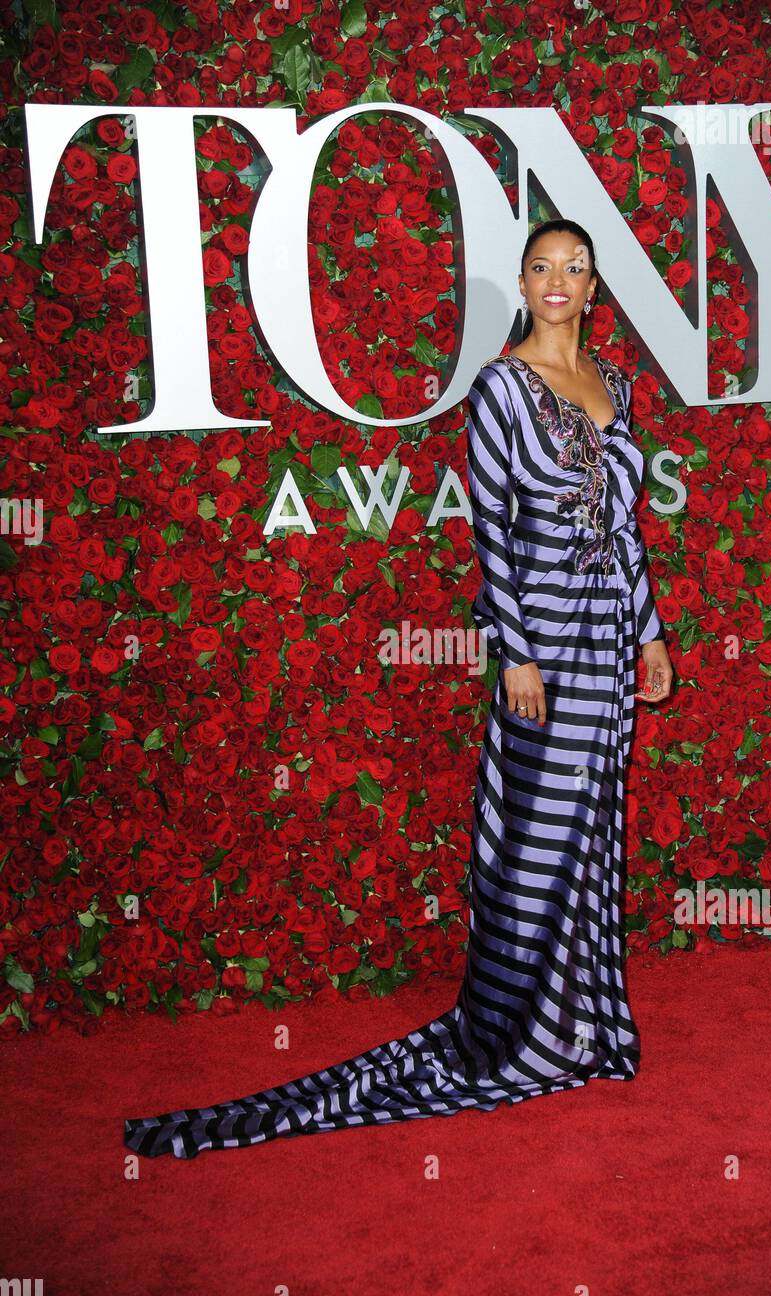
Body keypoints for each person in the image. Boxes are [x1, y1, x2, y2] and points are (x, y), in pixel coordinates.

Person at [123, 217, 673, 1160]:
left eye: (575, 268)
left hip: (610, 646)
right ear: (523, 283)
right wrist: (516, 653)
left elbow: (625, 529)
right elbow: (492, 529)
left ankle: (580, 1026)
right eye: (541, 266)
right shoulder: (500, 390)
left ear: (594, 289)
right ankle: (510, 1032)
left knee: (588, 833)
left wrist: (651, 631)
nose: (557, 280)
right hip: (545, 646)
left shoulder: (615, 386)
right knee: (531, 844)